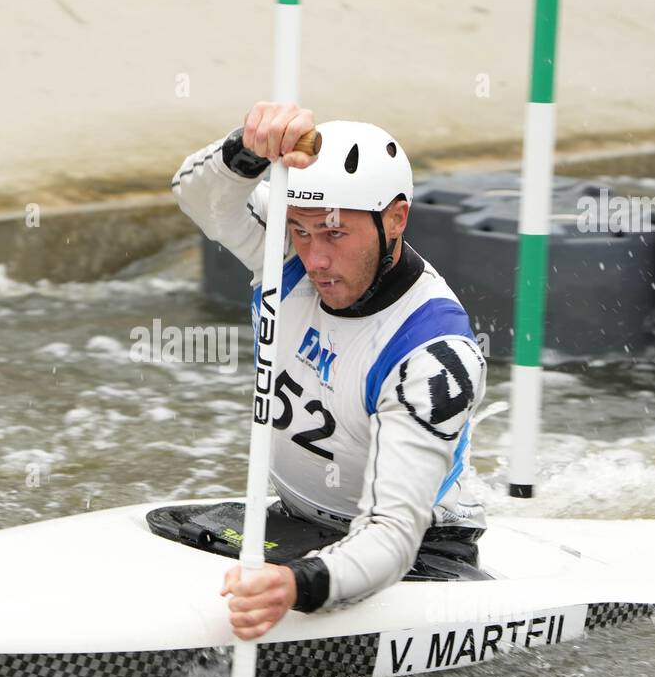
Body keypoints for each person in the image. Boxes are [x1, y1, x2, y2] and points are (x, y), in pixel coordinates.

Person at [171, 101, 488, 641]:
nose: (314, 260)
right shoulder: (289, 250)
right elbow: (197, 196)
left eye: (336, 235)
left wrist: (296, 587)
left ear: (395, 219)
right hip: (295, 520)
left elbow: (391, 537)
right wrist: (249, 148)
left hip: (418, 552)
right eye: (300, 230)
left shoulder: (432, 355)